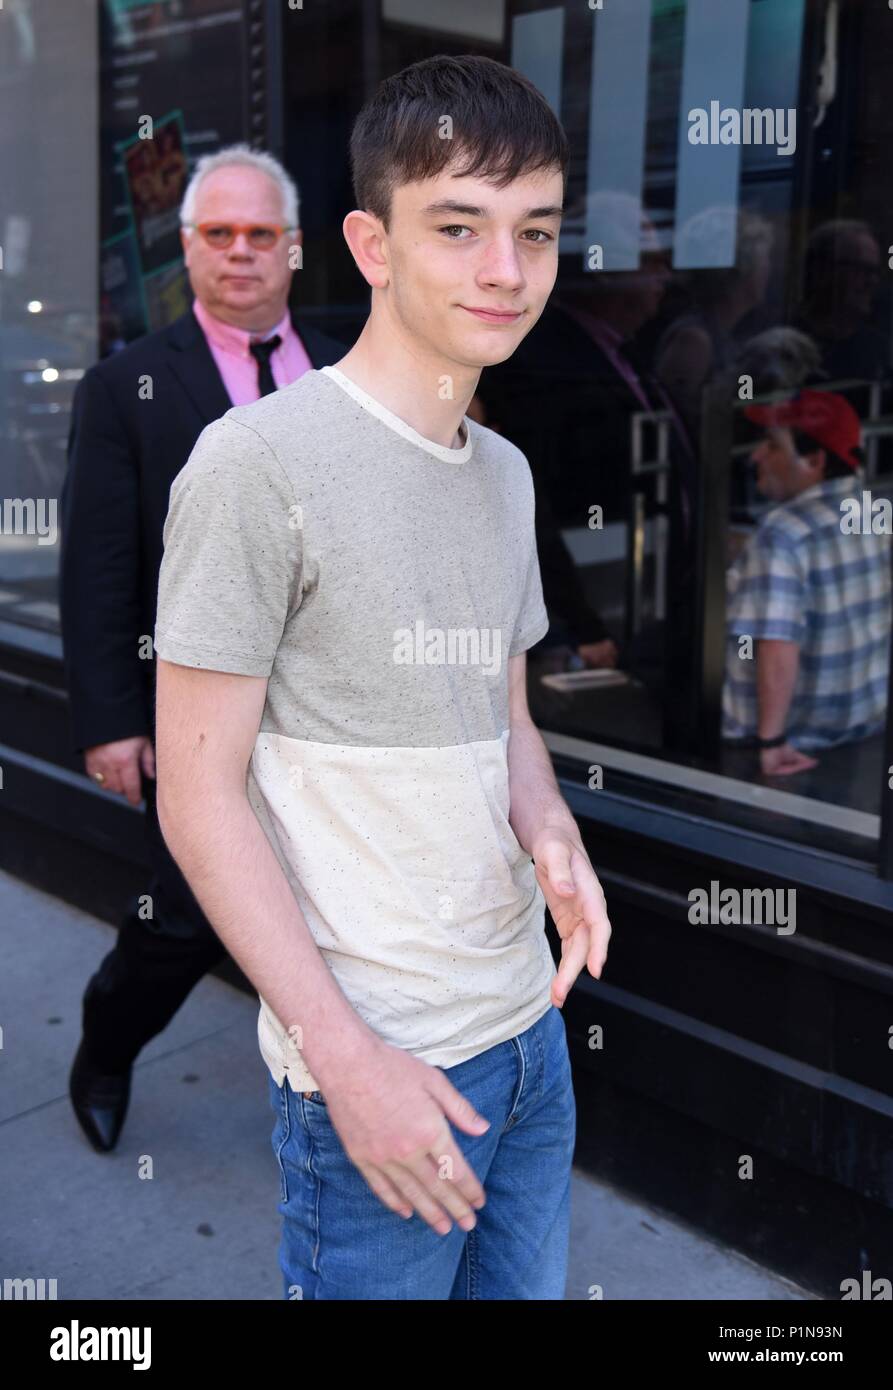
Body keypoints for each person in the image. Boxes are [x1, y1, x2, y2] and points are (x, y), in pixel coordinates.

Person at [153, 54, 612, 1300]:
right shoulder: (255, 465)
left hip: (527, 1036)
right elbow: (194, 801)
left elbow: (505, 718)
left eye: (533, 232)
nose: (504, 272)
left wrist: (550, 828)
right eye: (457, 228)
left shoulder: (505, 473)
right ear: (368, 244)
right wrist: (346, 1063)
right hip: (383, 1063)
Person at [60, 144, 348, 1153]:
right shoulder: (125, 386)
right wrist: (108, 722)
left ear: (295, 247)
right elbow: (98, 567)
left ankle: (339, 1099)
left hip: (333, 718)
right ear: (187, 248)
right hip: (191, 717)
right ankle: (103, 1045)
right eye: (217, 235)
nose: (238, 253)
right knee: (181, 921)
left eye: (259, 234)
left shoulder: (350, 370)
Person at [722, 389, 891, 775]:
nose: (755, 456)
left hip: (794, 737)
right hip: (862, 722)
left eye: (772, 445)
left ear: (814, 460)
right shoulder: (876, 513)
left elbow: (777, 643)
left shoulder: (783, 534)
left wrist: (772, 741)